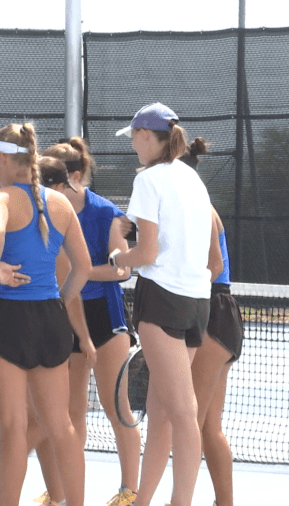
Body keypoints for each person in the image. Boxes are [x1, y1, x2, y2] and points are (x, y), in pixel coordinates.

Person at [0, 146, 138, 506]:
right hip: (56, 320)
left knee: (96, 412)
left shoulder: (18, 203)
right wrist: (63, 307)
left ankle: (128, 491)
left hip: (61, 319)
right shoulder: (58, 210)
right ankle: (57, 495)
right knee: (58, 421)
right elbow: (77, 275)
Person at [111, 103, 220, 506]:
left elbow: (147, 253)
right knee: (160, 412)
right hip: (197, 304)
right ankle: (142, 501)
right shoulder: (193, 179)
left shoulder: (148, 179)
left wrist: (117, 257)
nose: (133, 146)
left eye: (134, 138)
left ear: (144, 135)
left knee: (183, 413)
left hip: (162, 301)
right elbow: (209, 256)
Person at [184, 140, 241, 506]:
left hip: (211, 313)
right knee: (207, 427)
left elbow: (213, 266)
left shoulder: (199, 208)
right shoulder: (197, 206)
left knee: (189, 424)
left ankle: (181, 500)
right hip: (222, 315)